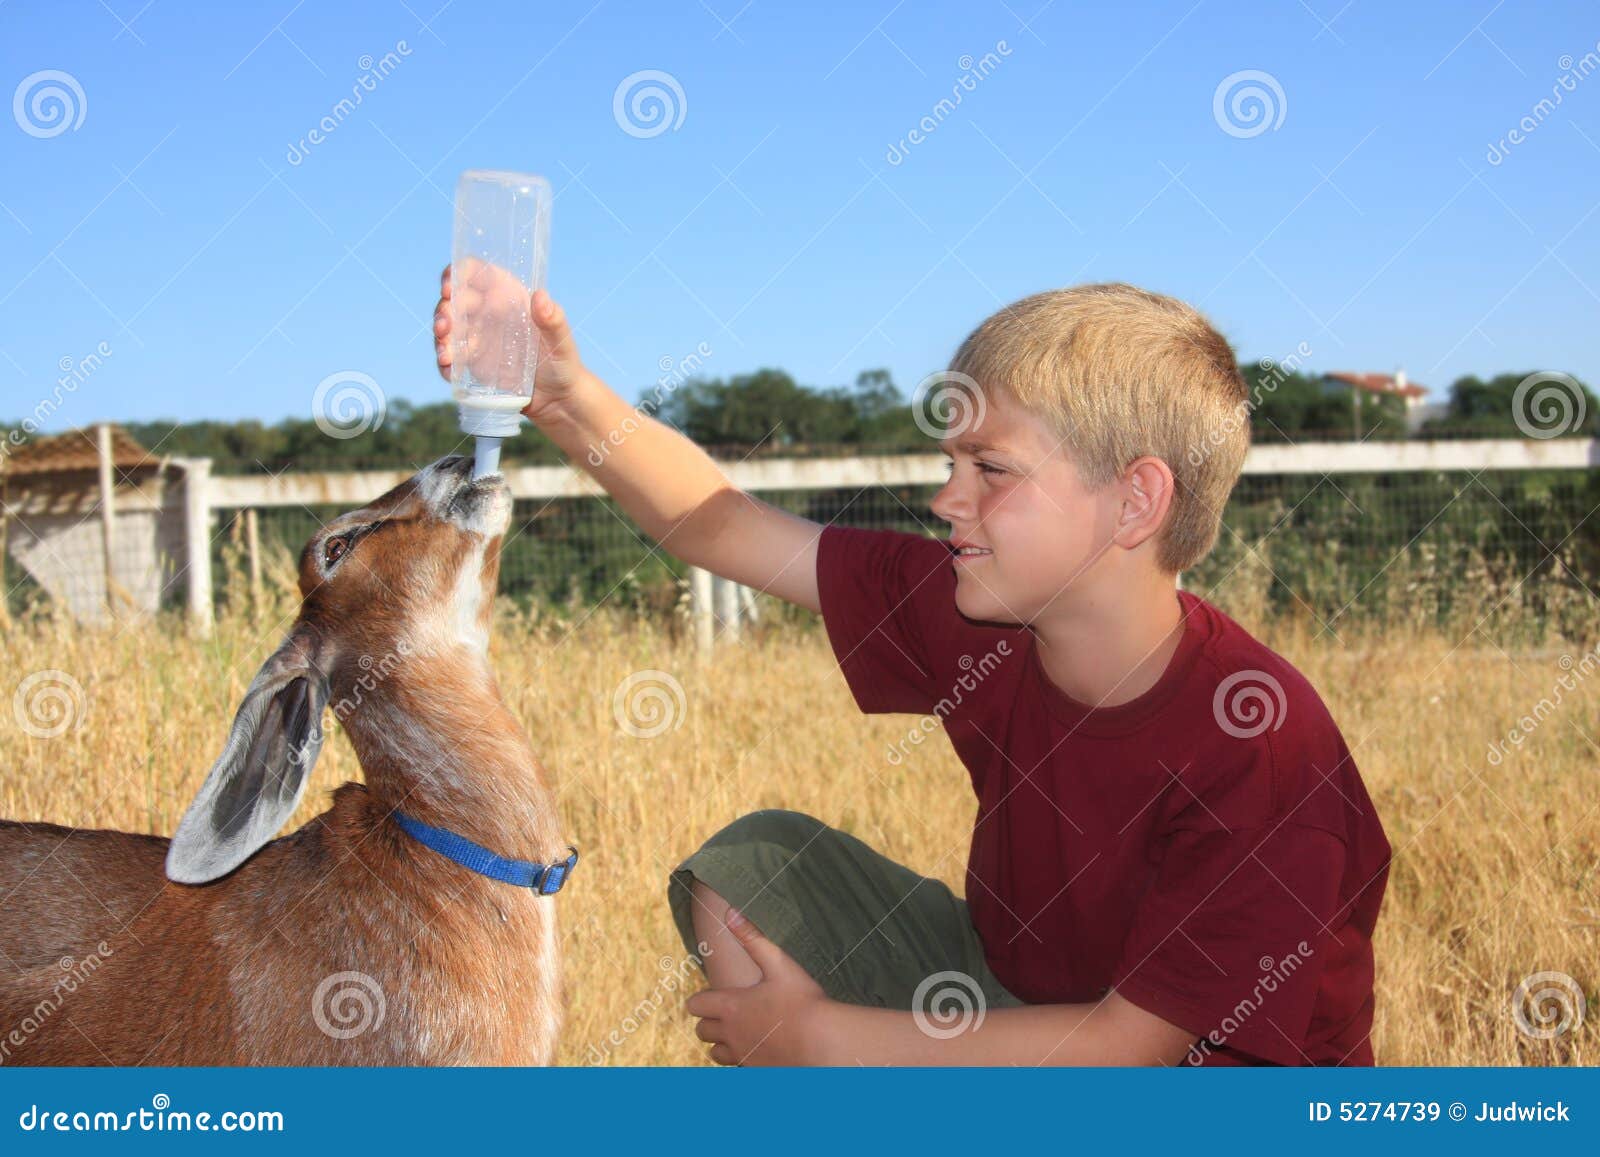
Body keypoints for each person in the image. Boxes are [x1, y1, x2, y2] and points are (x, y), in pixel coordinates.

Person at [433, 268, 1391, 1066]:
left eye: (990, 469)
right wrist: (563, 396)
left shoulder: (1260, 740)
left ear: (1135, 502)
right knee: (756, 868)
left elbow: (1130, 1044)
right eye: (950, 464)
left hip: (1192, 1078)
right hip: (1021, 999)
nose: (946, 499)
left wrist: (819, 1039)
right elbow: (717, 525)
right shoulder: (980, 610)